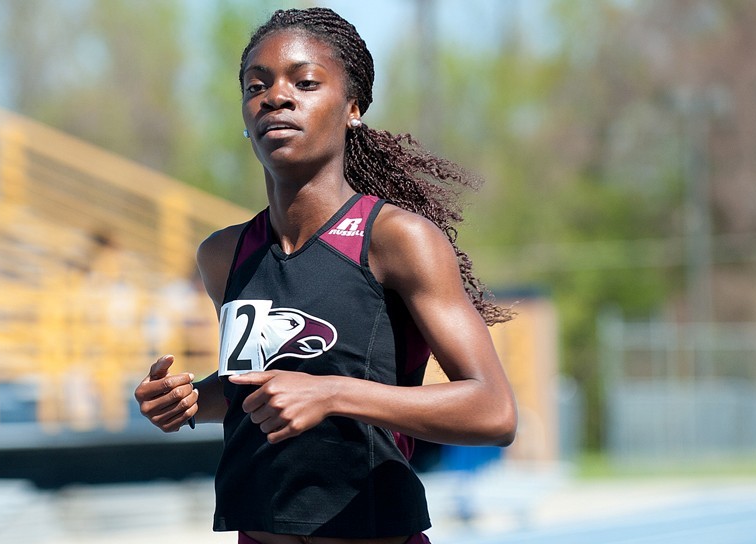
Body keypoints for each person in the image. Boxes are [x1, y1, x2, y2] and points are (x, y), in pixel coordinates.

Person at [134, 7, 517, 544]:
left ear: (353, 108)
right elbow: (258, 391)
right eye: (256, 86)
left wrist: (332, 394)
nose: (276, 97)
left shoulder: (396, 239)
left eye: (305, 82)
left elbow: (494, 412)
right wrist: (193, 400)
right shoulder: (224, 254)